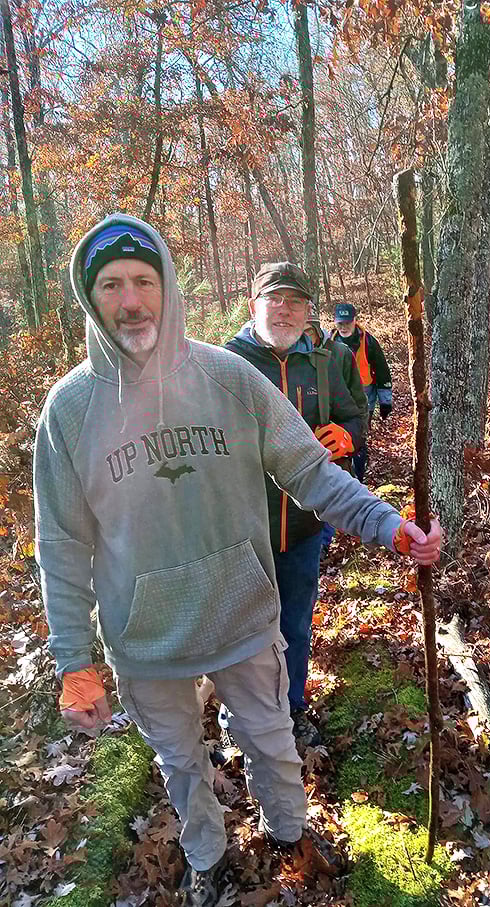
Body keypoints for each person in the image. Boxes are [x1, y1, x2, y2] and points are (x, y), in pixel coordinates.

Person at [33, 214, 442, 907]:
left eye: (142, 280)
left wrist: (388, 525)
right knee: (181, 764)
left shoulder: (230, 381)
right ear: (89, 296)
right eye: (111, 285)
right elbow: (61, 544)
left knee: (272, 738)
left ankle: (288, 833)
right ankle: (207, 854)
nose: (130, 300)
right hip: (145, 637)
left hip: (242, 612)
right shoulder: (69, 411)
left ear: (166, 287)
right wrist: (74, 660)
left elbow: (311, 472)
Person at [224, 264, 364, 747]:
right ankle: (239, 720)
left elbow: (353, 412)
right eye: (274, 299)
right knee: (241, 631)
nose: (284, 309)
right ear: (253, 306)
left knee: (295, 623)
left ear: (308, 313)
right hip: (241, 533)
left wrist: (348, 435)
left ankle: (290, 711)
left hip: (305, 525)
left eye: (296, 301)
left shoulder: (327, 361)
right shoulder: (226, 364)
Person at [304, 316, 368, 558]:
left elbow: (357, 404)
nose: (304, 337)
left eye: (309, 331)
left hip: (333, 445)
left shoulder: (338, 354)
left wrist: (351, 437)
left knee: (331, 489)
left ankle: (323, 541)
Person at [332, 303, 393, 482]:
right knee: (338, 434)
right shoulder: (328, 342)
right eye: (340, 324)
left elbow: (382, 372)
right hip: (337, 398)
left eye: (347, 323)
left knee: (359, 437)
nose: (343, 328)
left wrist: (385, 402)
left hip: (365, 400)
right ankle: (342, 473)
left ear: (355, 321)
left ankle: (358, 476)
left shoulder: (369, 342)